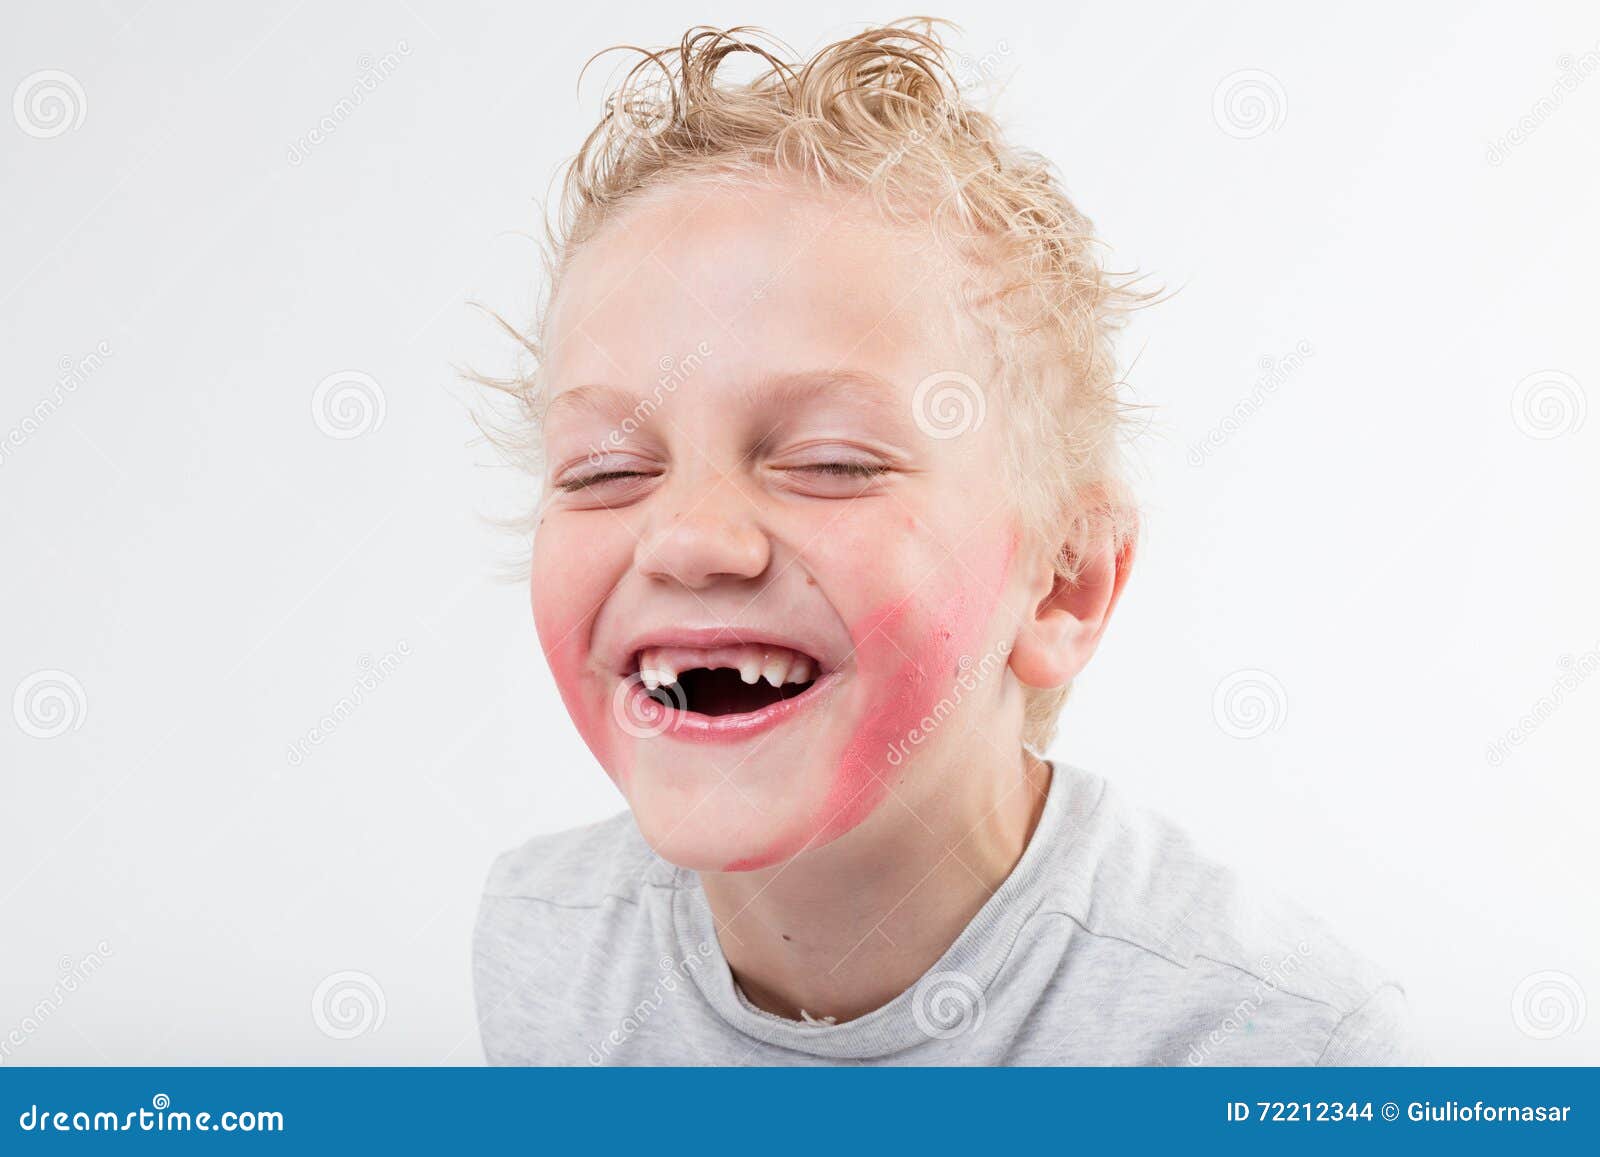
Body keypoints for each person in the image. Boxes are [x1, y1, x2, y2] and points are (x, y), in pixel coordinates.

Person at [472, 20, 1418, 1065]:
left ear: (1064, 583)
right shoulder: (543, 943)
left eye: (831, 460)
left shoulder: (1270, 1044)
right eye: (605, 471)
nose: (690, 535)